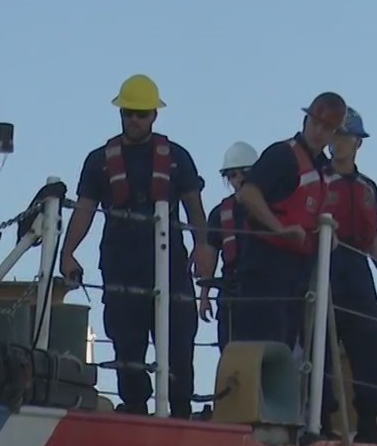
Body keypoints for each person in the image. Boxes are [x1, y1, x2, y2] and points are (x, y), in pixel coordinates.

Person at [58, 75, 209, 417]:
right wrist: (68, 253)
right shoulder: (99, 161)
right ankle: (136, 407)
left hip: (169, 264)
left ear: (154, 115)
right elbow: (85, 210)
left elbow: (194, 208)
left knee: (178, 341)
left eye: (141, 113)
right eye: (128, 113)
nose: (134, 120)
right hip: (121, 263)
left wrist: (203, 246)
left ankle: (180, 409)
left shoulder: (177, 158)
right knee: (127, 342)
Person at [229, 92, 347, 350]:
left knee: (284, 345)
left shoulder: (325, 170)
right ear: (305, 120)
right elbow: (248, 193)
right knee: (262, 344)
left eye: (326, 128)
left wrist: (327, 234)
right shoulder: (282, 154)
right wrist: (279, 228)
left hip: (297, 271)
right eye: (315, 123)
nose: (318, 131)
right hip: (265, 265)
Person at [324, 108, 377, 442]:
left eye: (344, 136)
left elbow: (373, 239)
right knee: (321, 345)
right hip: (323, 266)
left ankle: (369, 422)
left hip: (356, 270)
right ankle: (321, 421)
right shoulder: (316, 179)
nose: (337, 143)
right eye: (334, 135)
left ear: (358, 143)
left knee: (369, 340)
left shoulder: (368, 188)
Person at [198, 141, 257, 351]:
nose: (238, 179)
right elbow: (210, 255)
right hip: (231, 293)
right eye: (232, 175)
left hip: (265, 290)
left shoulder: (273, 208)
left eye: (243, 173)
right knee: (231, 354)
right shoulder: (220, 214)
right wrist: (204, 297)